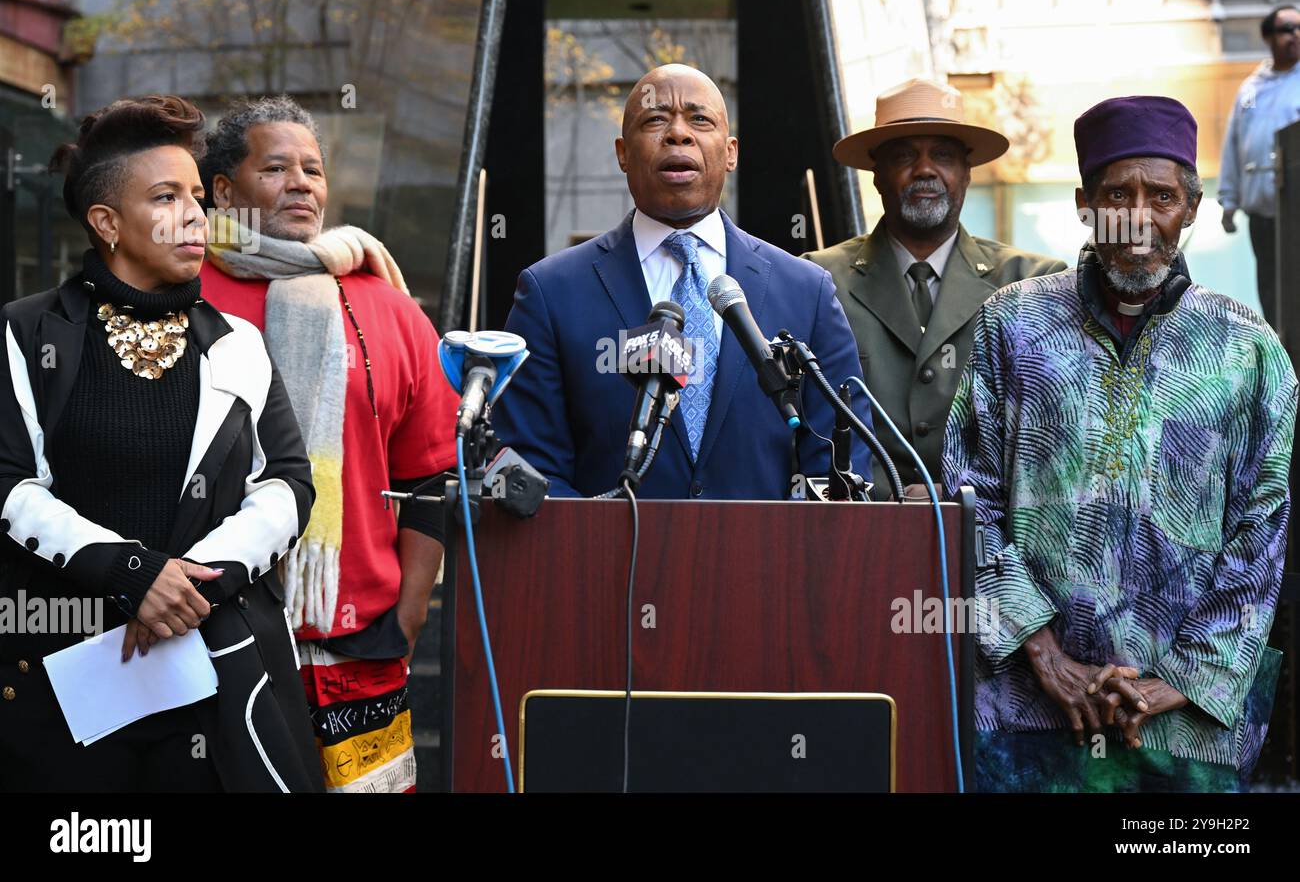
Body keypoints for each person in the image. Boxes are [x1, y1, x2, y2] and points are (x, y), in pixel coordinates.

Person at [944, 95, 1297, 792]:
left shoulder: (1247, 348)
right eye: (1117, 194)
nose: (1138, 216)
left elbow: (1265, 530)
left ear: (1191, 208)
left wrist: (1180, 681)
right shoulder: (1010, 326)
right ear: (1085, 203)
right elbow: (966, 498)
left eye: (1161, 195)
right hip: (1027, 715)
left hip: (1187, 729)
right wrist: (1043, 656)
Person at [0, 94, 322, 791]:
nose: (194, 216)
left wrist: (190, 583)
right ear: (107, 223)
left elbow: (289, 483)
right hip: (67, 679)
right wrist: (129, 572)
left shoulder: (239, 342)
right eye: (165, 197)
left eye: (198, 197)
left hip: (212, 673)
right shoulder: (26, 333)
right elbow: (10, 482)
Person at [199, 96, 457, 793]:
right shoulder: (180, 293)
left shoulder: (387, 304)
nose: (302, 183)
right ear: (223, 191)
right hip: (209, 631)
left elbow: (432, 474)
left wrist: (407, 616)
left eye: (312, 169)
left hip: (360, 645)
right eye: (276, 167)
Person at [494, 64, 872, 500]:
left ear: (730, 152)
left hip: (767, 564)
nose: (678, 133)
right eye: (655, 120)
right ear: (622, 152)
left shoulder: (808, 293)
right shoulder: (550, 293)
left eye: (699, 119)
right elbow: (530, 470)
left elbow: (838, 467)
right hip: (613, 564)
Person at [805, 78, 1064, 486]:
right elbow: (808, 432)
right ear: (876, 174)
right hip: (859, 535)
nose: (924, 169)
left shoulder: (1033, 283)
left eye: (942, 155)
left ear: (967, 172)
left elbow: (1046, 436)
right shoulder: (818, 280)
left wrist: (964, 495)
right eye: (904, 155)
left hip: (985, 539)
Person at [1219, 3, 1300, 327]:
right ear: (1268, 36)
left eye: (1298, 28)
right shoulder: (1252, 88)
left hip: (1296, 212)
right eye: (1286, 29)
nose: (1295, 35)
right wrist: (1228, 201)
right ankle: (1281, 357)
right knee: (1271, 289)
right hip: (1264, 214)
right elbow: (1235, 143)